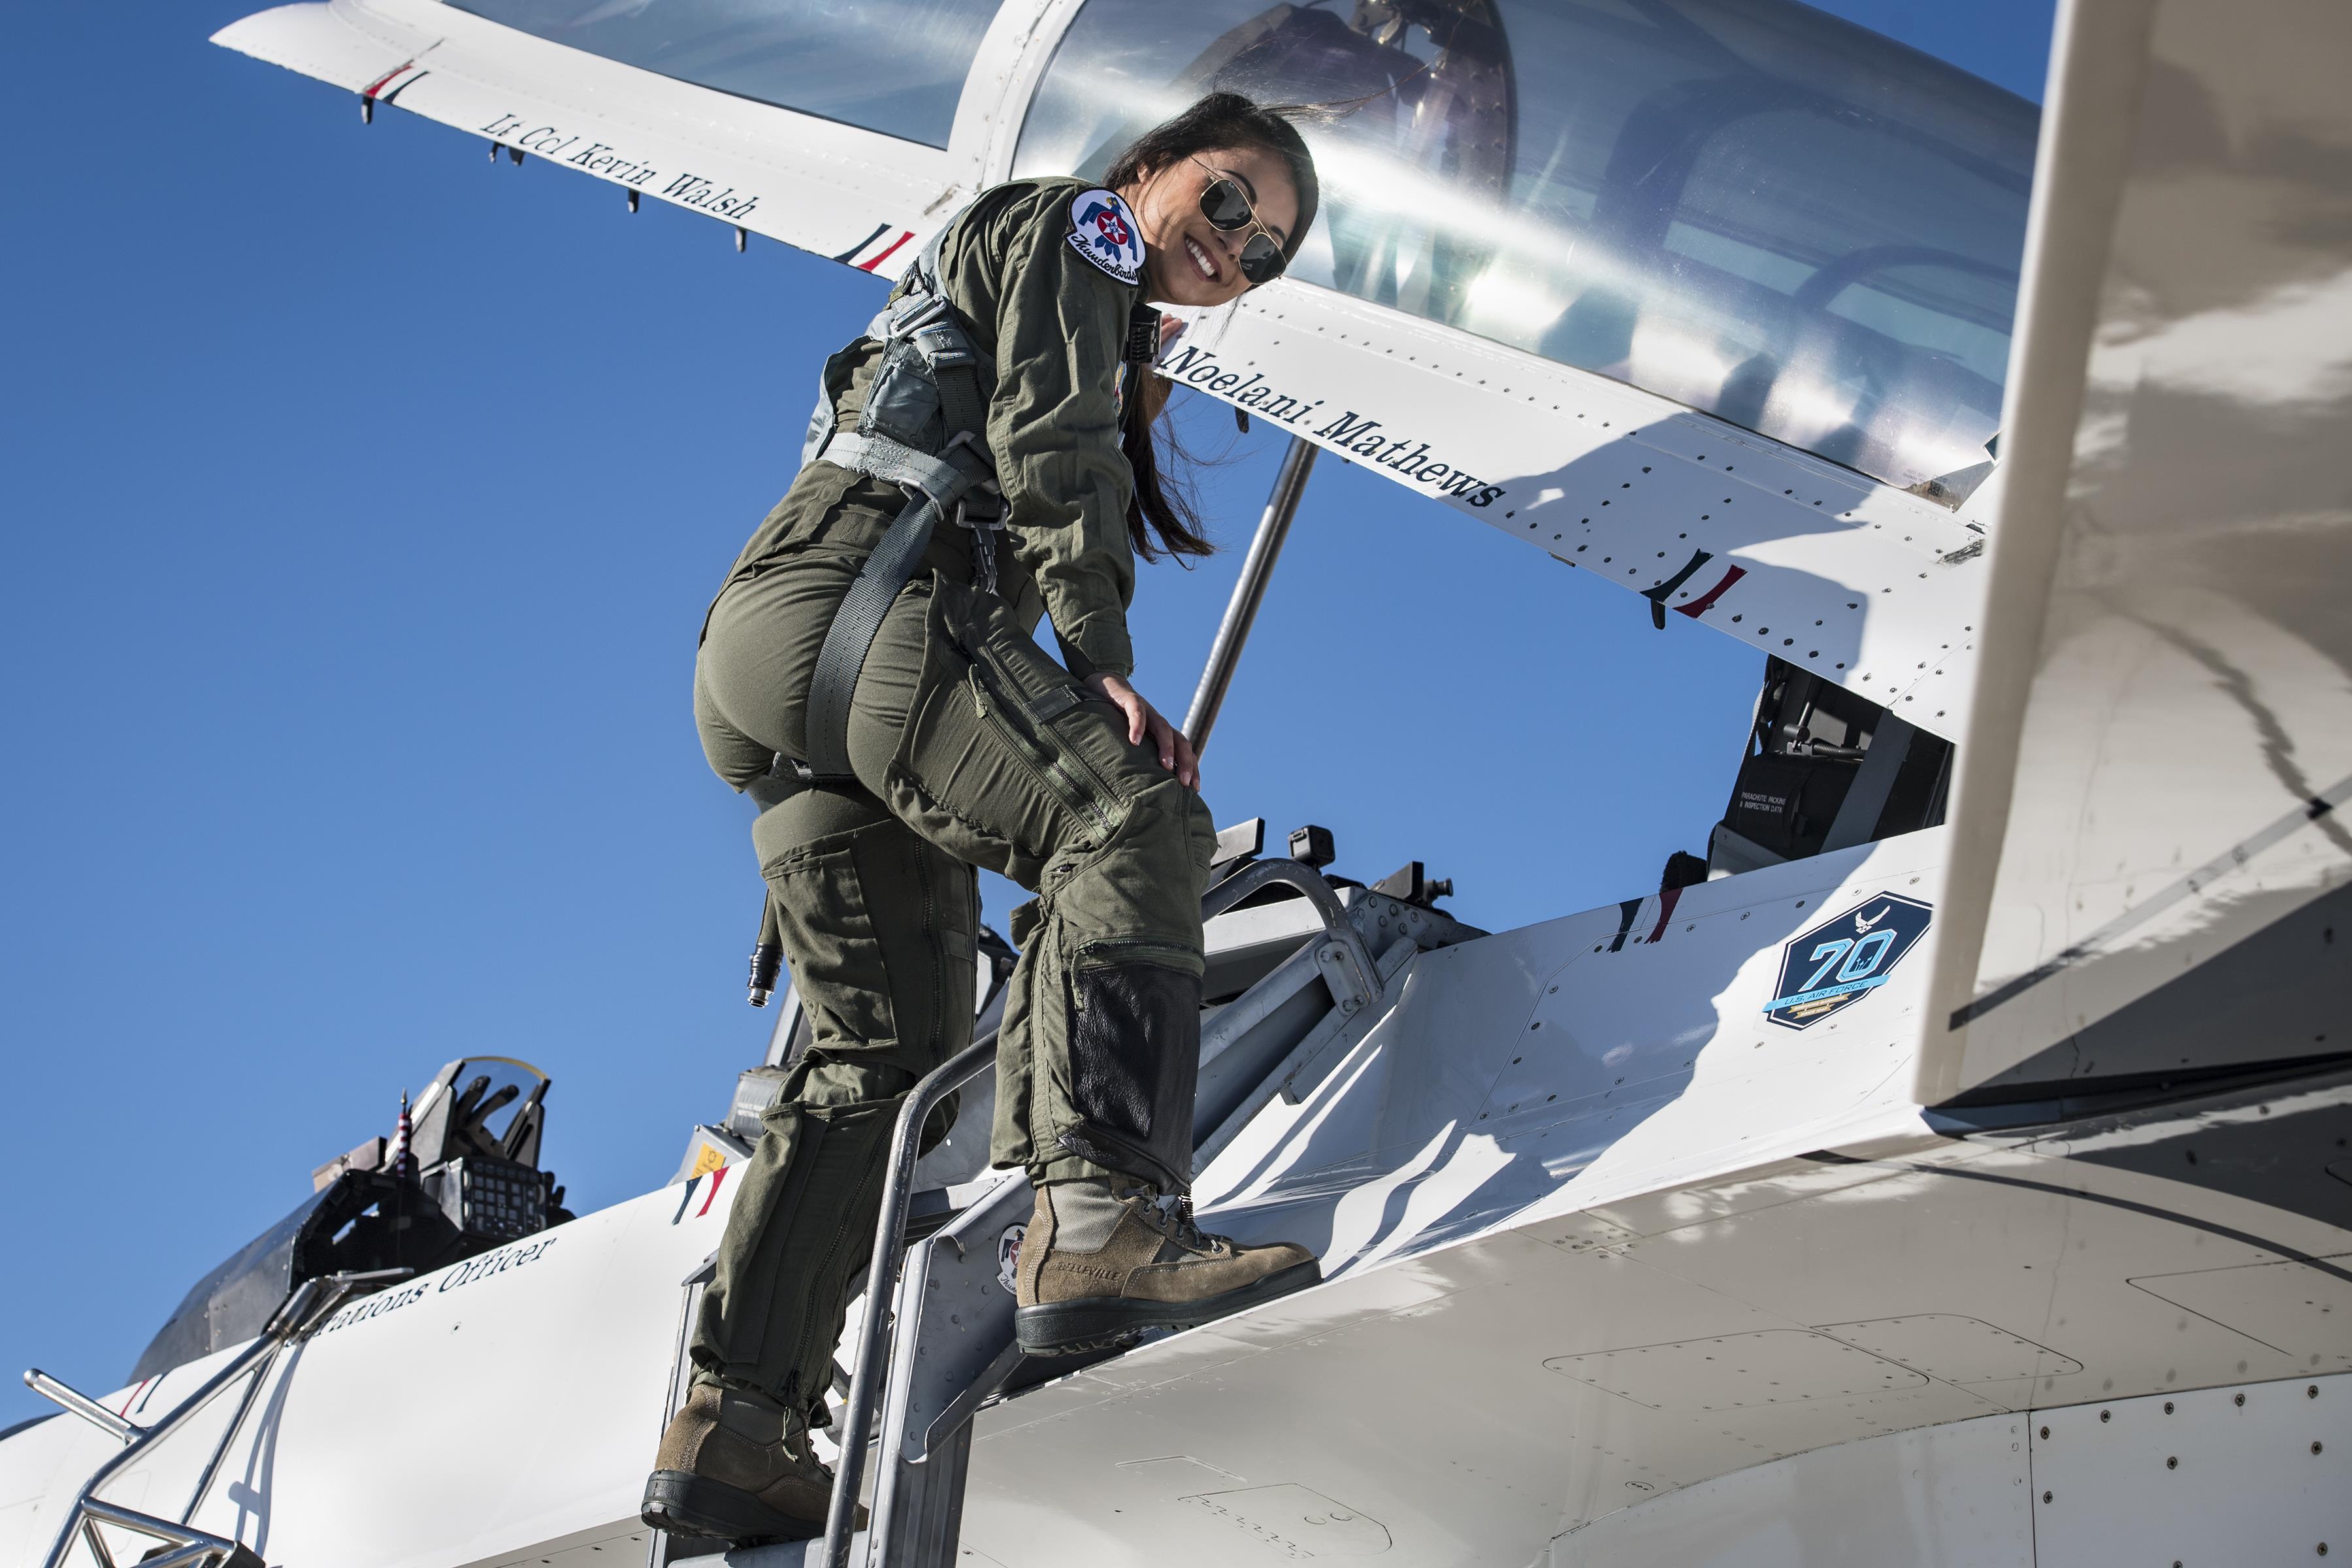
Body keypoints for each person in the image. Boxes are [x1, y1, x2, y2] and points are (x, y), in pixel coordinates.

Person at [642, 93, 1326, 1546]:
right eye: (1223, 202)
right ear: (1148, 170)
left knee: (877, 1058)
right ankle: (1096, 1224)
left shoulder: (1071, 293)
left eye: (1263, 252)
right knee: (1131, 825)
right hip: (871, 608)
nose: (1231, 251)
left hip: (771, 657)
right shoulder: (1073, 225)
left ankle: (735, 1426)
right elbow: (1054, 443)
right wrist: (1100, 656)